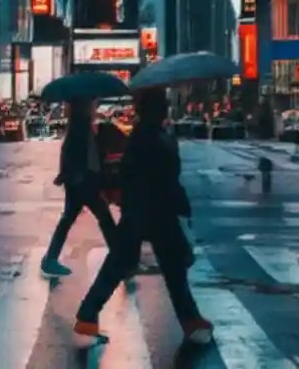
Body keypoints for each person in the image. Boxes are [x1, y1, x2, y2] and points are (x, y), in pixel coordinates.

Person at [74, 89, 213, 348]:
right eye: (164, 105)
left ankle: (88, 315)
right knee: (166, 269)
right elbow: (164, 176)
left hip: (143, 211)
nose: (167, 109)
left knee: (128, 264)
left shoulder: (147, 134)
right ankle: (190, 320)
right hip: (154, 211)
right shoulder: (150, 136)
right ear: (157, 109)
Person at [41, 100, 120, 278]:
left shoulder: (81, 127)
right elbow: (80, 155)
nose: (94, 108)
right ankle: (120, 256)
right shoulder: (81, 129)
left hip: (80, 181)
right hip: (83, 181)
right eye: (92, 105)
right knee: (103, 217)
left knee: (73, 218)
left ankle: (50, 259)